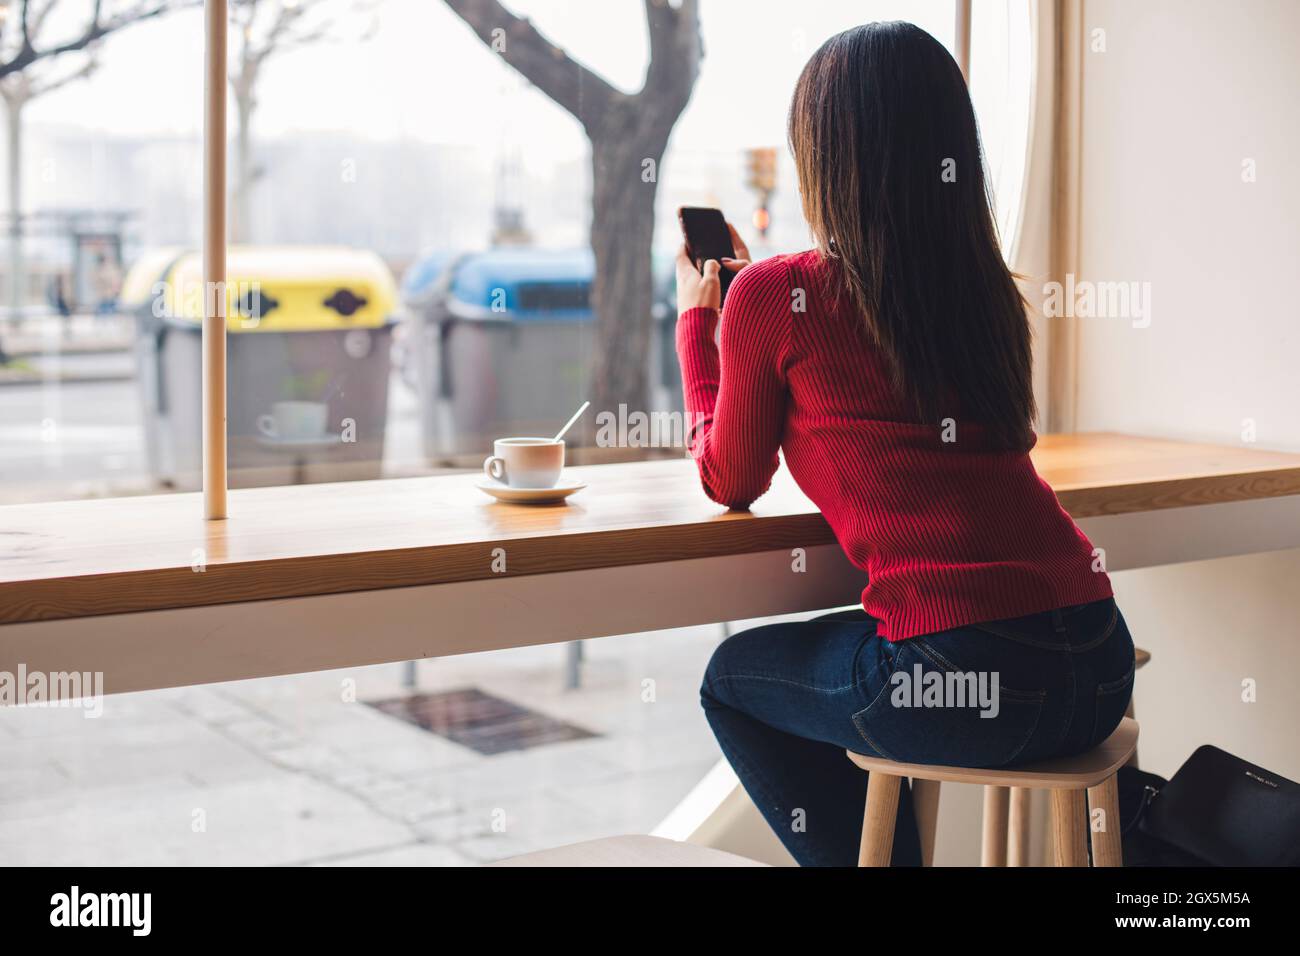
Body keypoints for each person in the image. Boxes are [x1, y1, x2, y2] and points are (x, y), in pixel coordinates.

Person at [673, 21, 1134, 867]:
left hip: (966, 677)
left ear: (825, 158)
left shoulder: (774, 294)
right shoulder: (990, 296)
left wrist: (701, 326)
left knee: (731, 678)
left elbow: (727, 475)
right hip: (1100, 665)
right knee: (884, 655)